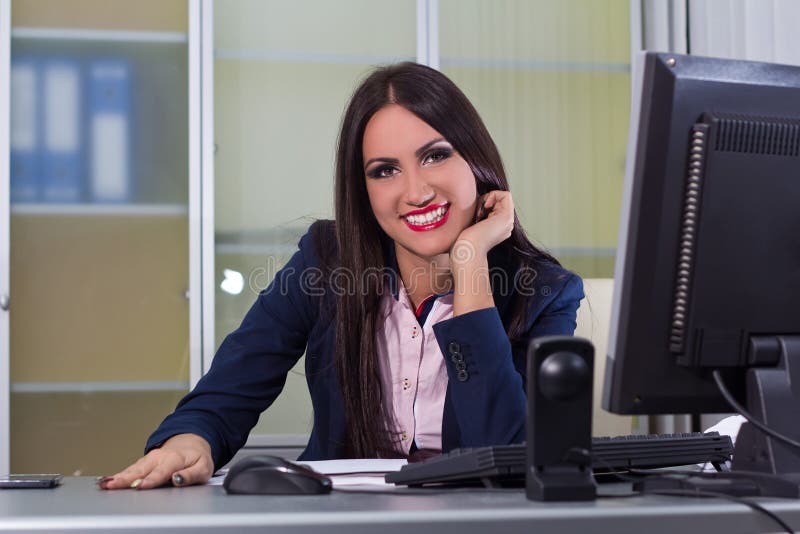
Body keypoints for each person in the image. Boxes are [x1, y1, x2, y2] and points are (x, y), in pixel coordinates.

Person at [99, 62, 584, 490]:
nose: (415, 192)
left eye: (436, 155)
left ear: (476, 161)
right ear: (363, 190)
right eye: (384, 170)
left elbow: (509, 456)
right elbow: (231, 385)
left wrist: (471, 257)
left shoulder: (545, 292)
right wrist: (192, 440)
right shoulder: (325, 262)